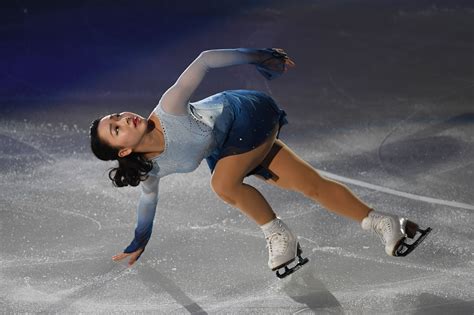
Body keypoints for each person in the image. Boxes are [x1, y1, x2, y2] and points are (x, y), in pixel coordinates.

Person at [89, 48, 431, 277]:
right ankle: (387, 223)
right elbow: (148, 200)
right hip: (228, 148)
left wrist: (260, 56)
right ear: (123, 152)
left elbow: (205, 59)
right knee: (310, 185)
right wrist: (140, 239)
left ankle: (278, 234)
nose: (124, 119)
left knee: (223, 184)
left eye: (118, 116)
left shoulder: (169, 108)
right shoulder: (153, 168)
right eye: (116, 129)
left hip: (246, 114)